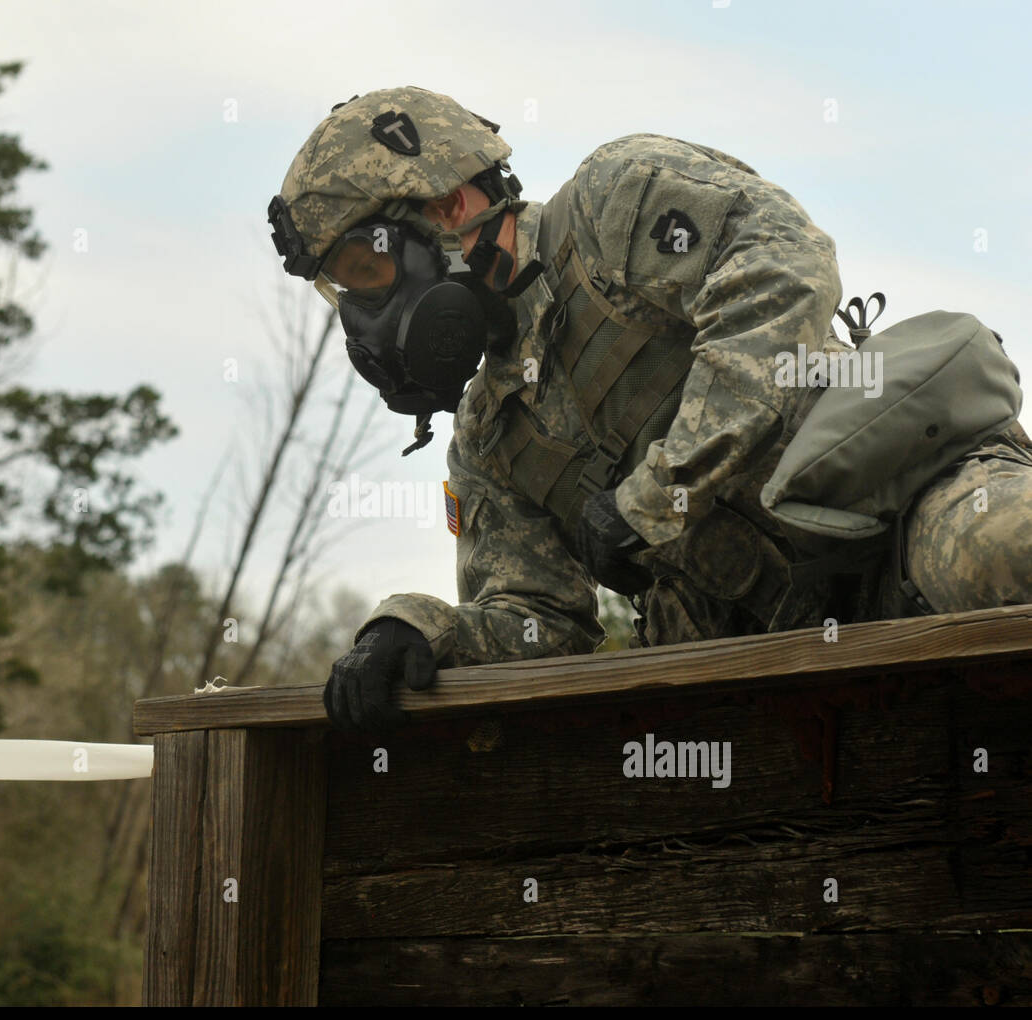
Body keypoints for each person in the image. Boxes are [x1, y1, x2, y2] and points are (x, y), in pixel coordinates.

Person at [267, 86, 1032, 733]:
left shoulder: (606, 210)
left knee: (1002, 556)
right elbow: (543, 624)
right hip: (773, 647)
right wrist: (418, 628)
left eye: (368, 270)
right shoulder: (487, 439)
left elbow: (785, 270)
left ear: (448, 204)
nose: (365, 320)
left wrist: (658, 493)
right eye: (346, 291)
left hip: (902, 505)